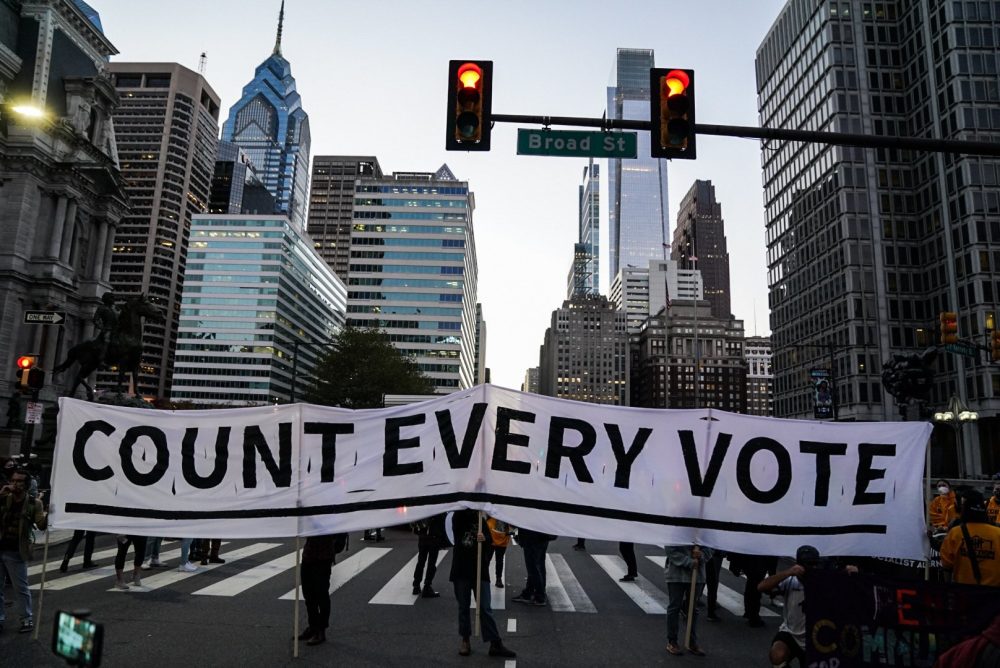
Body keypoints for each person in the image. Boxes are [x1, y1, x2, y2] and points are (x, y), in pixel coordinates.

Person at [757, 545, 859, 668]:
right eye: (807, 565)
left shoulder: (825, 581)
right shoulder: (790, 581)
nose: (812, 568)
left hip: (817, 638)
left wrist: (851, 574)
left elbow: (849, 590)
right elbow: (761, 587)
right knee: (777, 654)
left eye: (814, 564)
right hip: (791, 633)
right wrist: (788, 572)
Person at [449, 509, 515, 658]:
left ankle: (495, 643)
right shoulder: (458, 516)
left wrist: (484, 538)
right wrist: (475, 535)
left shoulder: (481, 519)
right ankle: (465, 640)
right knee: (463, 607)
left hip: (479, 570)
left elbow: (490, 543)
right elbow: (458, 536)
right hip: (461, 569)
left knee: (485, 607)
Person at [0, 468, 47, 633]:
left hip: (16, 551)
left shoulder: (34, 503)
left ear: (26, 485)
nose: (15, 484)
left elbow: (41, 525)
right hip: (1, 547)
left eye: (19, 481)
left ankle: (26, 618)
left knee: (21, 588)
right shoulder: (4, 498)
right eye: (13, 480)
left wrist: (50, 515)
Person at [940, 488, 1000, 586]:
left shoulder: (955, 533)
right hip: (993, 593)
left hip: (963, 593)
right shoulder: (998, 533)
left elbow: (947, 566)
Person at [665, 543, 710, 657]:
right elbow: (670, 550)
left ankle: (692, 642)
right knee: (674, 607)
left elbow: (710, 547)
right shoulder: (676, 531)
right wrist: (689, 561)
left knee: (693, 609)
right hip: (676, 574)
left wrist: (701, 555)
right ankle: (672, 641)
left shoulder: (703, 531)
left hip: (697, 574)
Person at [298, 534, 338, 646]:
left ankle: (321, 630)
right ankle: (312, 626)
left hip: (323, 558)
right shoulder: (309, 517)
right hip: (308, 556)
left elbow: (338, 534)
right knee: (308, 595)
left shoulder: (329, 517)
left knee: (321, 595)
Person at [511, 528, 553, 606]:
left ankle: (539, 596)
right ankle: (530, 592)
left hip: (533, 537)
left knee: (533, 568)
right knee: (539, 565)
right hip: (542, 536)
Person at [412, 514, 446, 597]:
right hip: (434, 537)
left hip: (422, 537)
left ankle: (416, 585)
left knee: (421, 561)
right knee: (431, 563)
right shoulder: (438, 507)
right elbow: (443, 522)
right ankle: (427, 586)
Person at [486, 516, 512, 588]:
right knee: (488, 559)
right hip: (491, 535)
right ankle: (486, 579)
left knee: (498, 560)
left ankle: (498, 579)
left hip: (501, 537)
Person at [93, 292, 119, 362]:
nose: (114, 300)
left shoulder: (115, 309)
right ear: (107, 299)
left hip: (116, 330)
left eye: (113, 298)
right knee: (107, 340)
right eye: (112, 298)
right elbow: (95, 320)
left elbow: (119, 318)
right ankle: (102, 358)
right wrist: (101, 327)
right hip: (107, 329)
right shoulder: (101, 308)